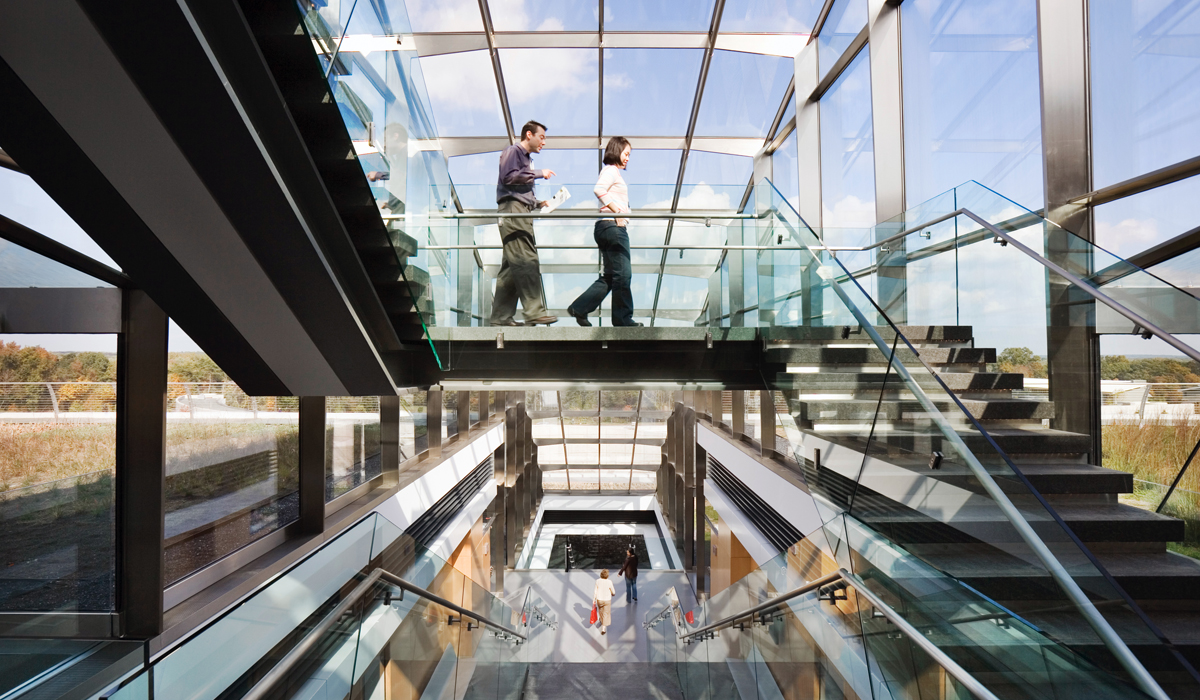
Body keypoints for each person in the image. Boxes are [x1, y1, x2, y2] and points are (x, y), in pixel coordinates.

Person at [566, 136, 641, 327]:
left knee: (611, 275)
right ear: (616, 151)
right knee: (623, 274)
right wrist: (618, 212)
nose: (628, 158)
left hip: (606, 227)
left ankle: (580, 308)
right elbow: (599, 189)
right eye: (626, 154)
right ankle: (622, 319)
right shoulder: (611, 171)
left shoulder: (613, 172)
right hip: (613, 227)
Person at [490, 120, 558, 327]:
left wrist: (538, 203)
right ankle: (534, 312)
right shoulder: (513, 151)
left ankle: (500, 317)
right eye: (542, 137)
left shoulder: (525, 159)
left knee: (512, 266)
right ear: (529, 134)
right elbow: (508, 178)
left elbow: (516, 188)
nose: (543, 142)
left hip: (520, 210)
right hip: (513, 212)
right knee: (527, 259)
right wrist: (539, 173)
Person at [593, 568, 616, 634]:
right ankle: (603, 628)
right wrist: (613, 593)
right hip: (607, 599)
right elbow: (613, 591)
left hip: (599, 599)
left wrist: (594, 600)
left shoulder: (597, 581)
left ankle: (601, 619)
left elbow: (595, 591)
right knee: (606, 613)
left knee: (600, 610)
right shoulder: (609, 582)